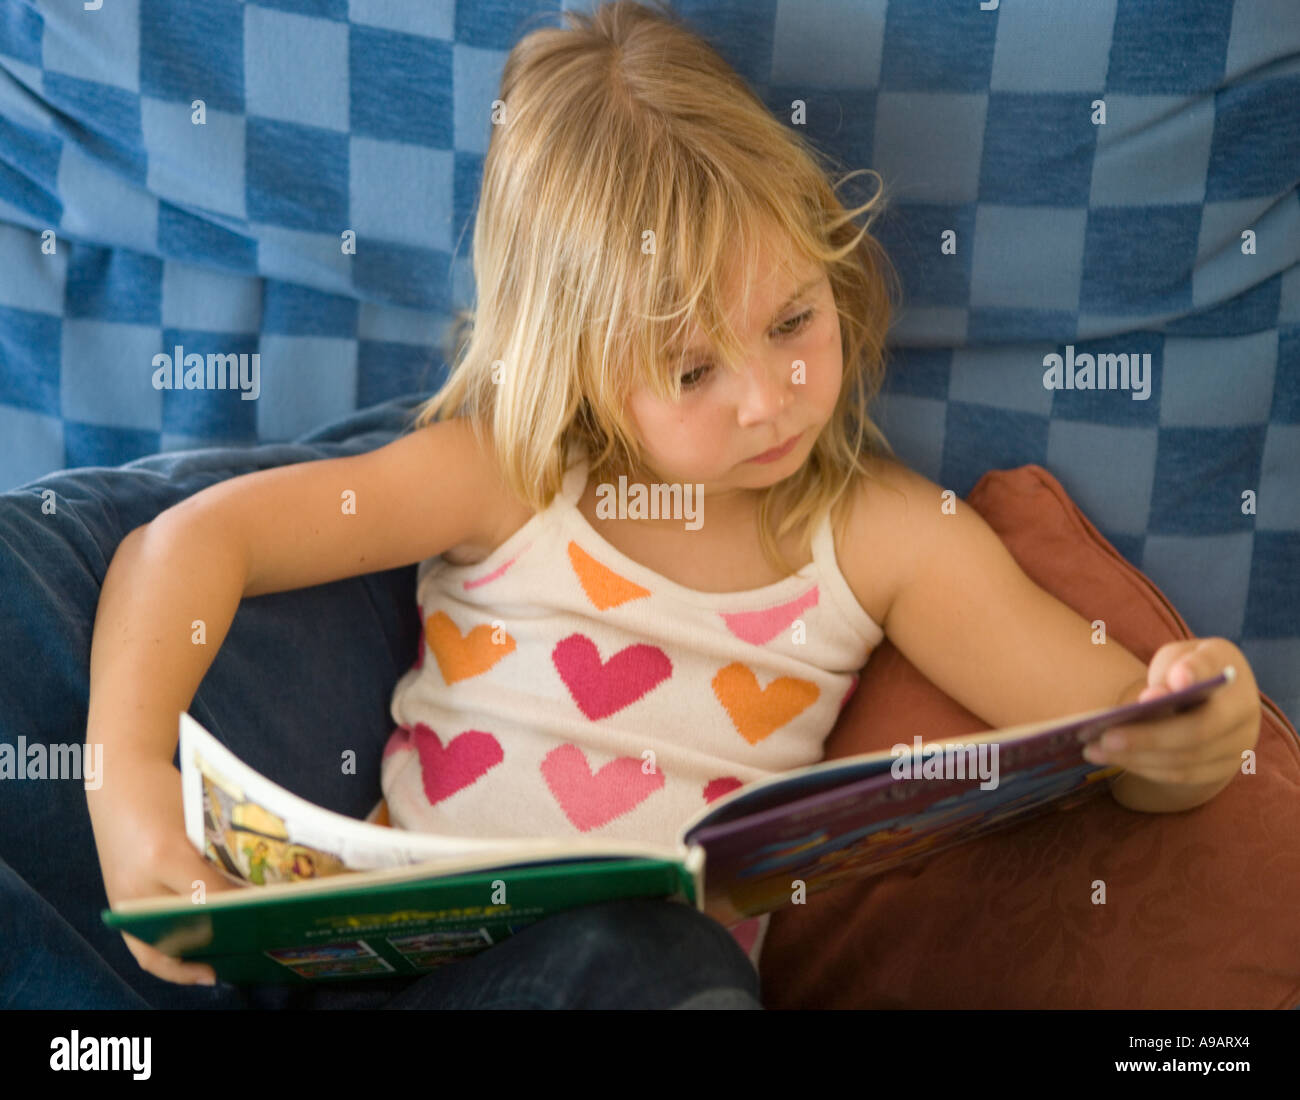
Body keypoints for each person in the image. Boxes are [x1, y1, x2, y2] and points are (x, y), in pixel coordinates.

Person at [83, 0, 1261, 1010]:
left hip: (649, 979)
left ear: (829, 264)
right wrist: (132, 798)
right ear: (585, 372)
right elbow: (188, 540)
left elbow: (1126, 734)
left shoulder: (881, 534)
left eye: (794, 319)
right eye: (693, 371)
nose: (768, 399)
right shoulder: (512, 474)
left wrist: (1203, 726)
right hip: (406, 979)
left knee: (650, 949)